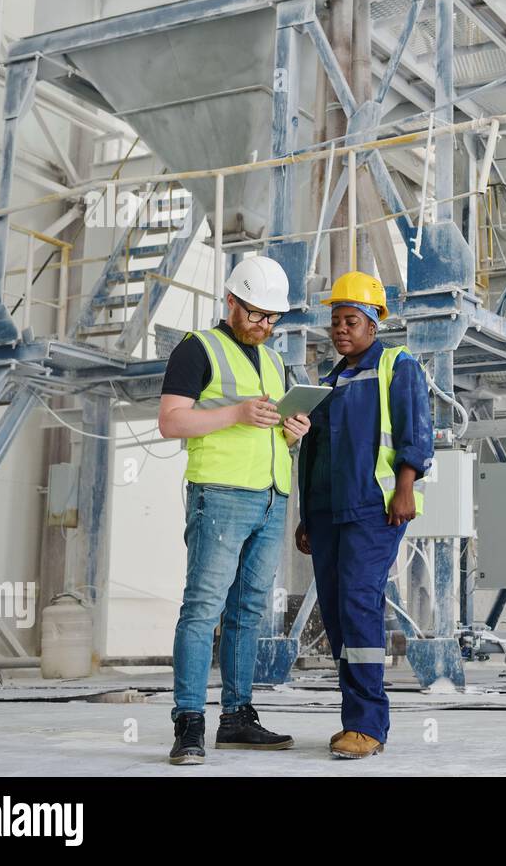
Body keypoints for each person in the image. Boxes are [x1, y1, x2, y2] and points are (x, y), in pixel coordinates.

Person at [157, 256, 310, 765]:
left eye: (272, 318)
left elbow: (269, 431)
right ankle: (189, 722)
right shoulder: (197, 348)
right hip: (220, 496)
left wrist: (291, 433)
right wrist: (238, 413)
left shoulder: (272, 360)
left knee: (248, 612)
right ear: (230, 301)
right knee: (202, 609)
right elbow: (172, 422)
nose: (264, 326)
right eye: (255, 315)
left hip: (270, 497)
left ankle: (238, 717)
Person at [295, 271, 434, 759]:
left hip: (373, 509)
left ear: (373, 324)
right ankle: (353, 717)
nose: (340, 329)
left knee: (357, 604)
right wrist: (307, 516)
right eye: (335, 321)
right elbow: (314, 453)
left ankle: (368, 724)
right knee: (336, 613)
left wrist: (406, 487)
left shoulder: (397, 366)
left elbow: (415, 430)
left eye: (350, 320)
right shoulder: (328, 382)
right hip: (327, 513)